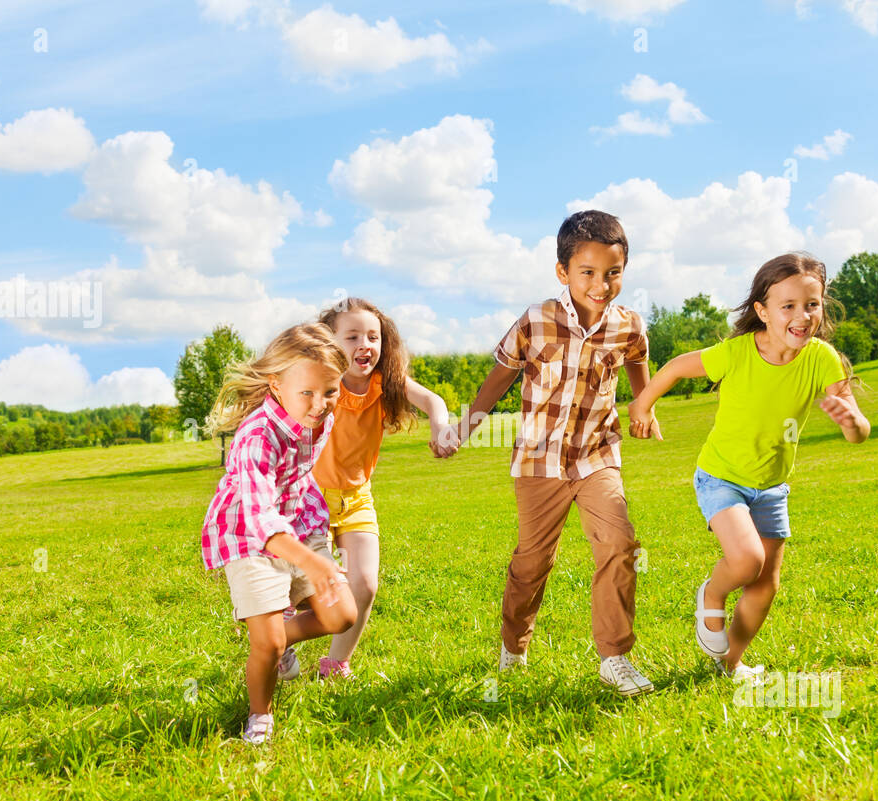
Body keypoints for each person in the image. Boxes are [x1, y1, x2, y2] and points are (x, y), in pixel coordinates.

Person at [438, 210, 658, 696]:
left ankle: (615, 658)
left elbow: (640, 361)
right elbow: (499, 377)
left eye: (613, 273)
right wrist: (467, 424)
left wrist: (644, 406)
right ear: (563, 272)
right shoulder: (536, 321)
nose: (601, 284)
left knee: (619, 544)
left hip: (597, 455)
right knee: (533, 562)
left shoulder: (628, 326)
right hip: (539, 462)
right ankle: (513, 646)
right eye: (589, 273)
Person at [628, 252, 870, 682]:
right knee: (746, 560)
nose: (802, 316)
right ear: (762, 311)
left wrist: (852, 422)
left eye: (812, 305)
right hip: (721, 476)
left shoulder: (822, 359)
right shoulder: (737, 352)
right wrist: (642, 405)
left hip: (773, 486)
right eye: (788, 306)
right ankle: (712, 594)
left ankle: (731, 664)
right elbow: (676, 368)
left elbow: (858, 433)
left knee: (765, 584)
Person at [200, 323, 357, 743]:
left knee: (342, 615)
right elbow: (260, 520)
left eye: (330, 391)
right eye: (307, 392)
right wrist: (313, 563)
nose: (320, 404)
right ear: (276, 384)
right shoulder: (255, 437)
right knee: (266, 646)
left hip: (298, 521)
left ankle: (272, 636)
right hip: (249, 534)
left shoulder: (318, 414)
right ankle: (260, 717)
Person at [307, 297, 453, 679]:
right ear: (330, 342)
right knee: (310, 589)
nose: (365, 344)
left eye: (373, 336)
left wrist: (440, 426)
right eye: (352, 336)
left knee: (365, 585)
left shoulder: (384, 384)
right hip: (310, 501)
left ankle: (335, 663)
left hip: (356, 500)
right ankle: (277, 643)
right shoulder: (322, 384)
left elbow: (432, 400)